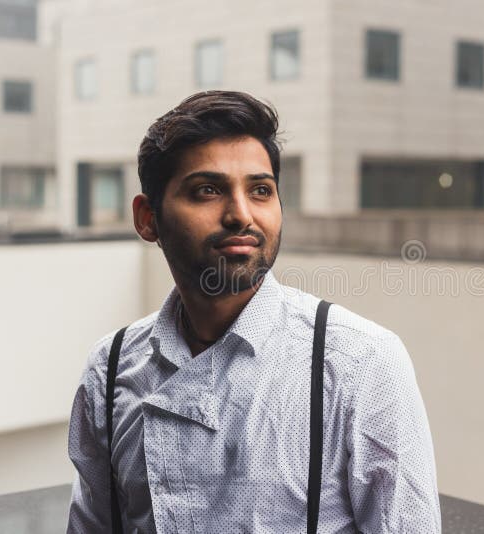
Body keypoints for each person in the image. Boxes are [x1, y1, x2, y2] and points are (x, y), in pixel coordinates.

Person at [66, 90, 441, 533]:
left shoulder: (360, 361)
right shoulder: (109, 368)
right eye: (207, 190)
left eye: (260, 190)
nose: (241, 215)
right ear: (148, 218)